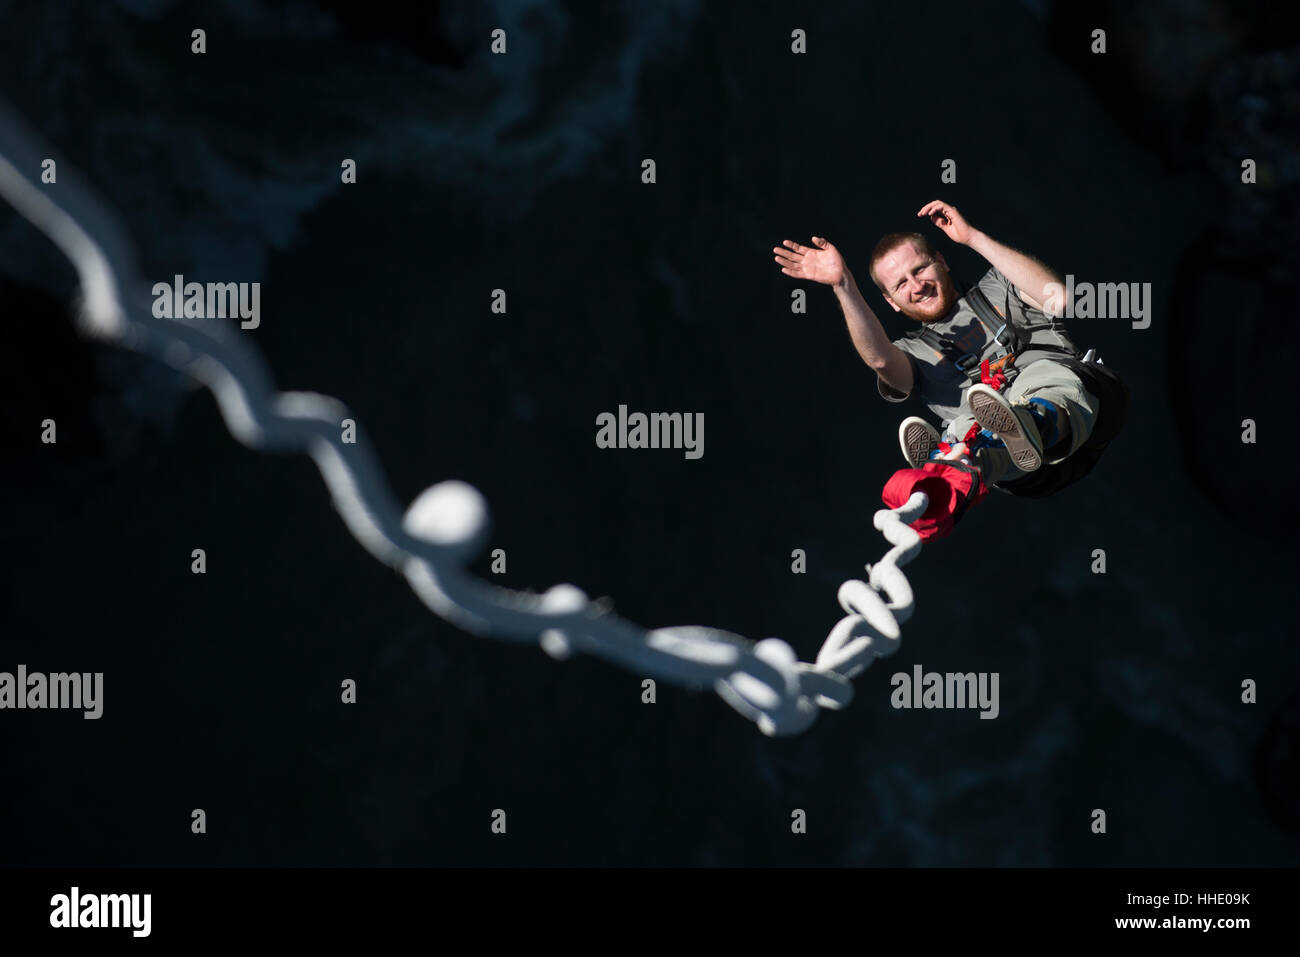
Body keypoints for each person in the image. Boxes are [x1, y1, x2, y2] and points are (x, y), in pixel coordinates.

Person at [773, 201, 1119, 499]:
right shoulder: (911, 353)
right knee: (962, 430)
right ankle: (961, 468)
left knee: (1040, 378)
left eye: (920, 268)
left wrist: (973, 238)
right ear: (891, 302)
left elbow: (1058, 297)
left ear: (941, 261)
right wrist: (843, 284)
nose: (917, 285)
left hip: (1090, 406)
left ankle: (1031, 423)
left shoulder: (1000, 286)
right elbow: (880, 360)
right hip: (1032, 474)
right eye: (901, 284)